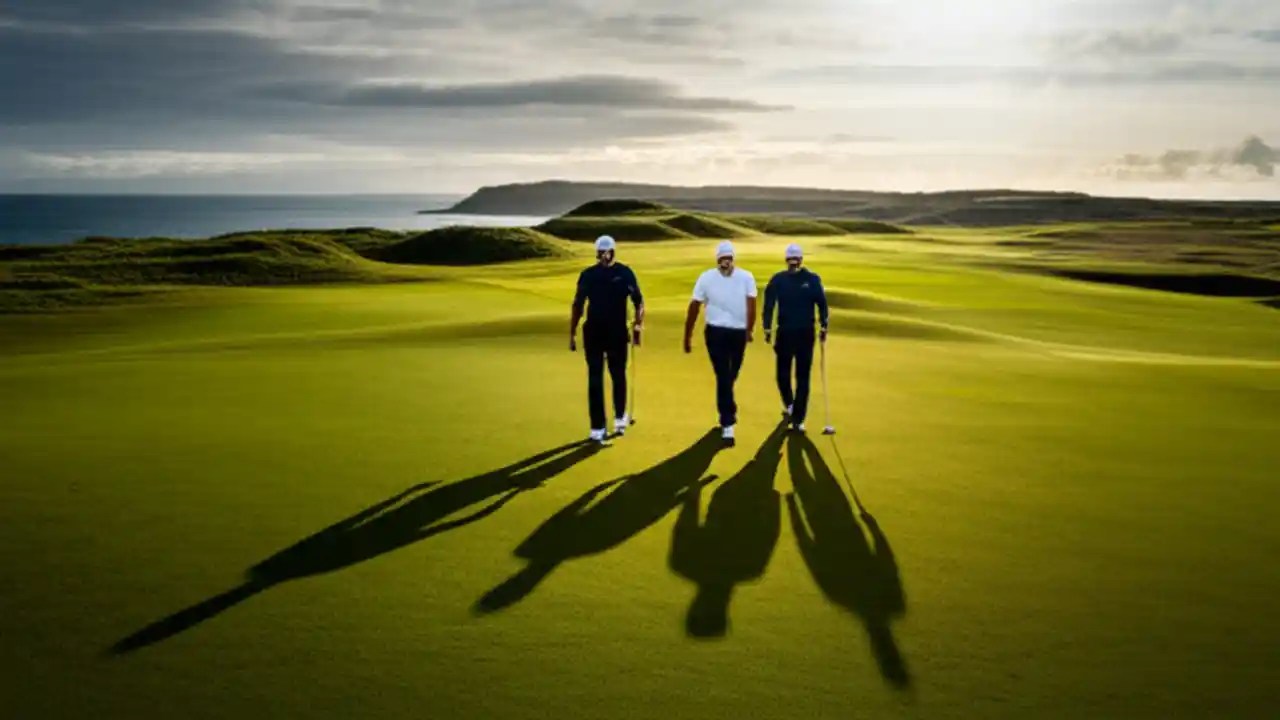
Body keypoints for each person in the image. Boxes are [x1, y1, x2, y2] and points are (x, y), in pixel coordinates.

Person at [570, 235, 644, 445]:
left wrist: (638, 324)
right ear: (596, 253)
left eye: (608, 252)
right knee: (595, 379)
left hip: (617, 332)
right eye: (601, 253)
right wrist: (572, 333)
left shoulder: (624, 273)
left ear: (613, 252)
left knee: (618, 375)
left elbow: (638, 301)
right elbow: (578, 305)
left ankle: (620, 419)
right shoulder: (588, 275)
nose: (605, 256)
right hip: (594, 332)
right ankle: (597, 428)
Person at [684, 240, 757, 447]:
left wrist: (749, 329)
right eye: (722, 259)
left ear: (733, 259)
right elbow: (694, 306)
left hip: (738, 333)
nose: (725, 263)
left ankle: (726, 406)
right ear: (717, 260)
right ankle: (728, 423)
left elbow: (752, 304)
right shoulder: (706, 278)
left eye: (728, 259)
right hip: (715, 332)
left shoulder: (746, 277)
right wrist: (687, 336)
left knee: (731, 375)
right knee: (723, 375)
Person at [763, 243, 829, 432]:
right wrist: (767, 328)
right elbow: (769, 304)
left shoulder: (812, 279)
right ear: (786, 261)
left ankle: (799, 419)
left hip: (805, 334)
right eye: (790, 260)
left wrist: (824, 324)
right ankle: (791, 406)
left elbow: (822, 304)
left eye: (796, 259)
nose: (793, 263)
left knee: (803, 377)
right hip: (784, 333)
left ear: (801, 259)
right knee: (782, 376)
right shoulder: (778, 280)